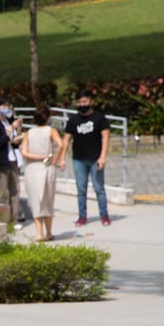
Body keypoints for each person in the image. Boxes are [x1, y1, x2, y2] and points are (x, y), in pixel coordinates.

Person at [62, 89, 112, 226]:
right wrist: (62, 157)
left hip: (95, 159)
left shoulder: (100, 118)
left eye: (85, 101)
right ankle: (82, 216)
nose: (82, 104)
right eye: (79, 102)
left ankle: (104, 215)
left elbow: (106, 137)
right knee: (81, 189)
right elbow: (66, 139)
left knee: (99, 188)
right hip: (79, 159)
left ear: (91, 102)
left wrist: (102, 157)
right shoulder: (73, 120)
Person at [21, 104, 66, 243]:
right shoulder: (51, 130)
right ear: (48, 118)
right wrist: (54, 159)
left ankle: (39, 233)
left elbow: (24, 152)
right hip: (47, 166)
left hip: (32, 168)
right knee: (48, 199)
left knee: (35, 200)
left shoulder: (29, 133)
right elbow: (61, 144)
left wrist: (38, 157)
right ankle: (48, 232)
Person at [0, 95, 25, 224]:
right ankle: (1, 221)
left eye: (8, 106)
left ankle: (14, 220)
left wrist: (18, 132)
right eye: (4, 106)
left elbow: (13, 143)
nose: (7, 108)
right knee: (1, 193)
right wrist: (9, 133)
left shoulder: (8, 121)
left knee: (15, 191)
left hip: (12, 160)